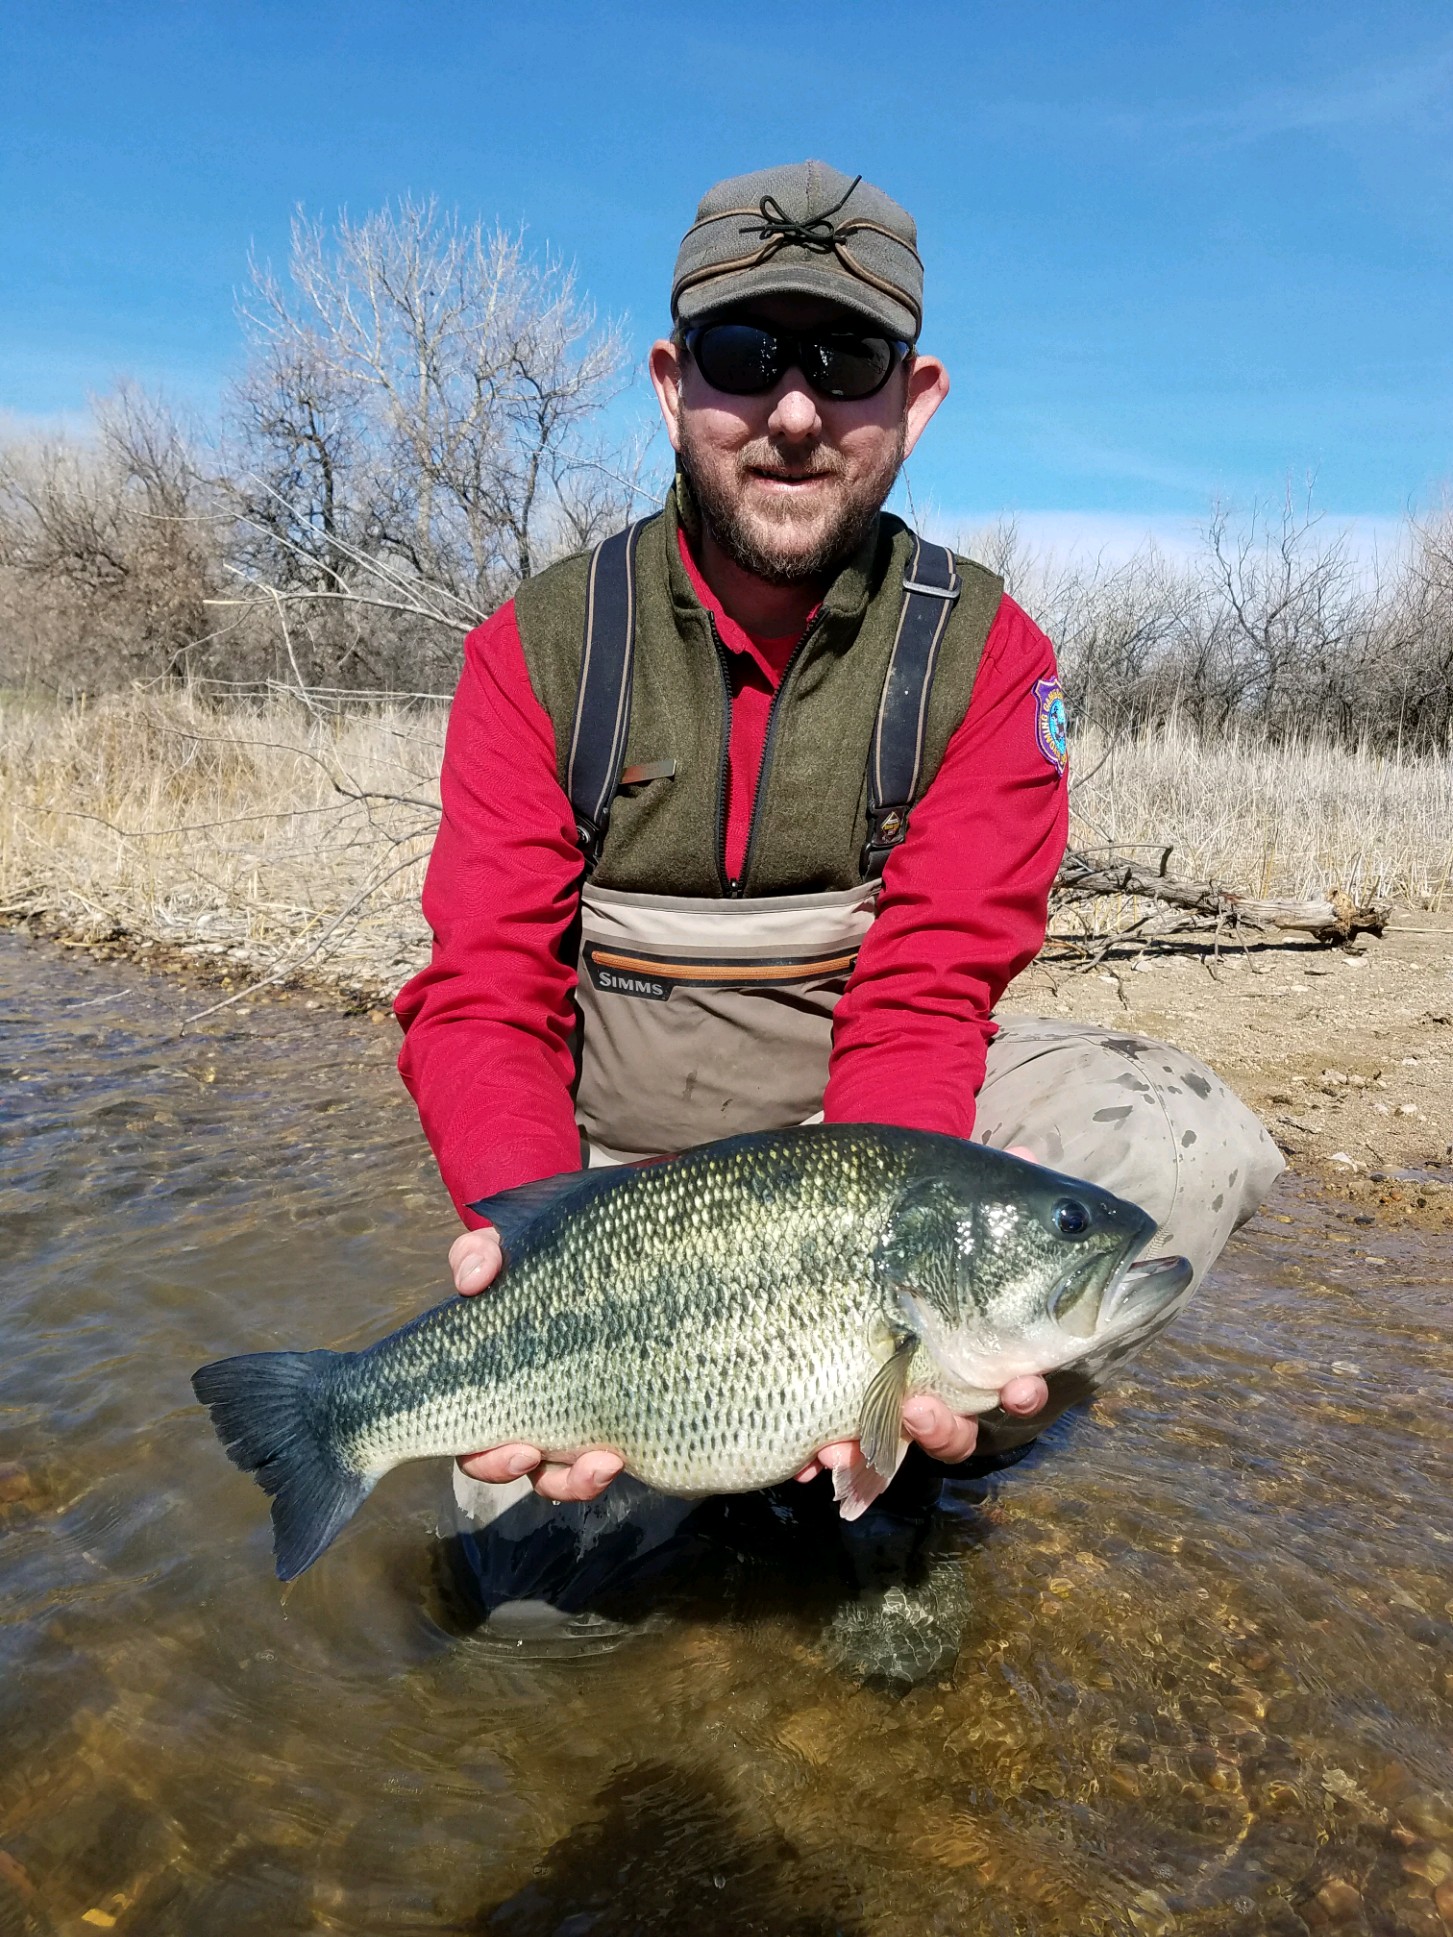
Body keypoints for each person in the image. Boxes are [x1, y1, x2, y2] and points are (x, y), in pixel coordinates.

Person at [394, 162, 1283, 1617]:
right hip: (617, 1180)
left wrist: (867, 1291)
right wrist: (525, 1242)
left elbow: (928, 988)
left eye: (846, 362)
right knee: (523, 1615)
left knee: (1182, 1140)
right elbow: (483, 993)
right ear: (675, 385)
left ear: (912, 398)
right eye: (747, 359)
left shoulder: (987, 660)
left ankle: (920, 1461)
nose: (795, 412)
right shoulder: (535, 650)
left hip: (868, 1154)